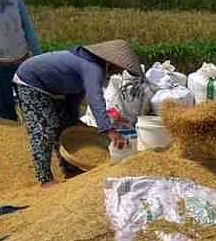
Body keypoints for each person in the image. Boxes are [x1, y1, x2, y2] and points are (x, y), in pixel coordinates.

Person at [13, 39, 140, 188]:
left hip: (54, 89)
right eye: (121, 67)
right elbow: (94, 98)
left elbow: (76, 92)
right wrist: (108, 130)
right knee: (46, 129)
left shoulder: (92, 66)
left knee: (68, 125)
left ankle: (70, 169)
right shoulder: (93, 67)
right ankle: (45, 178)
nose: (120, 71)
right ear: (114, 61)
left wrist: (73, 118)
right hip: (30, 81)